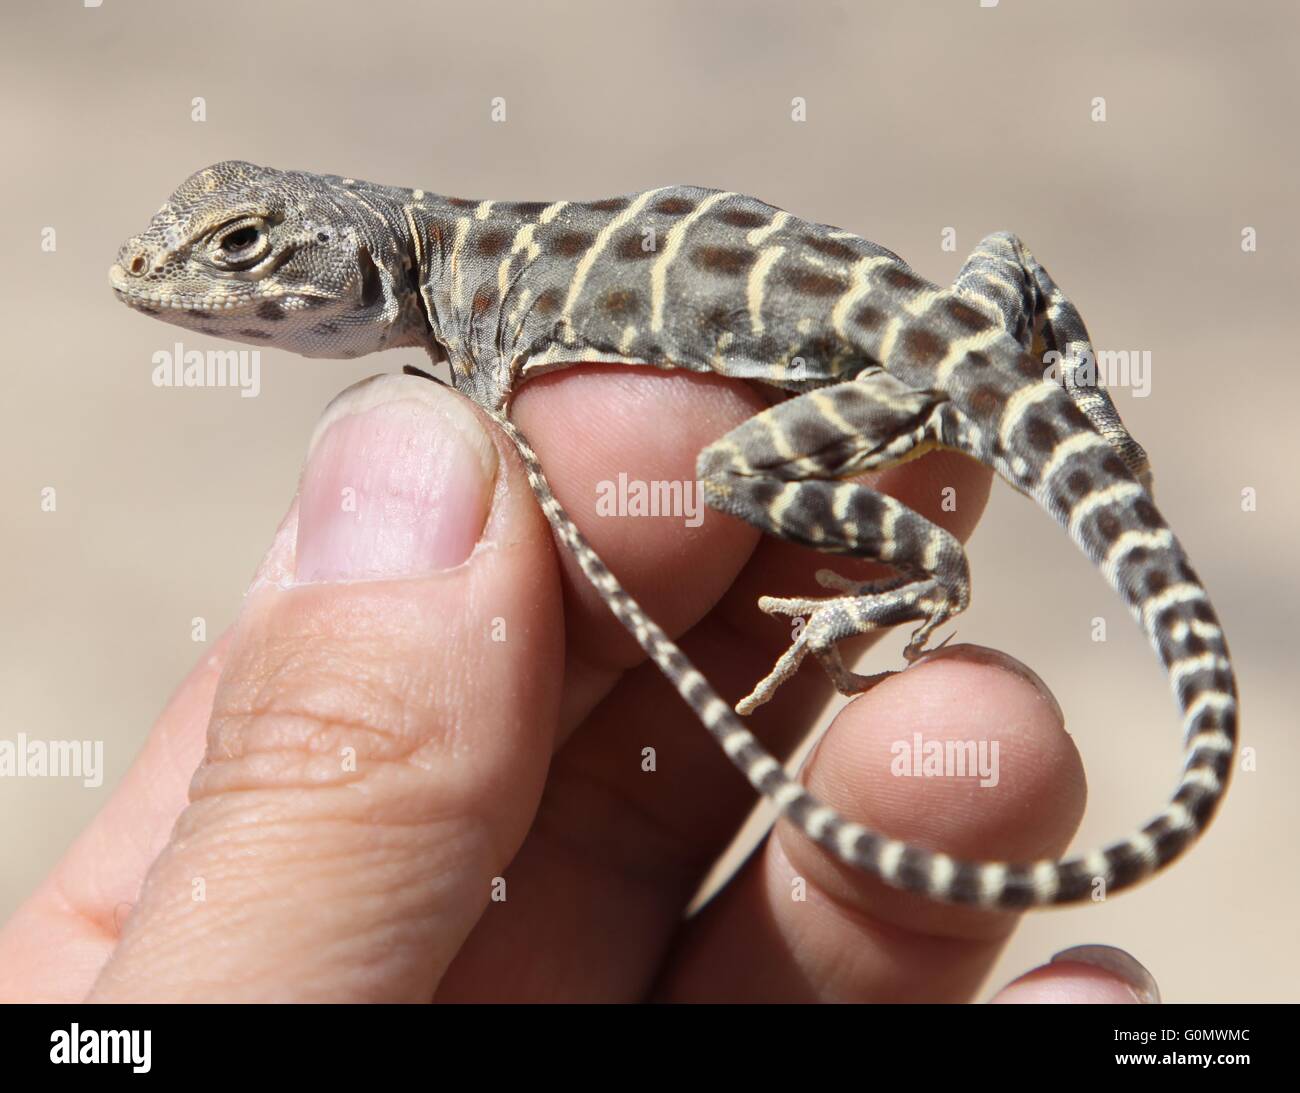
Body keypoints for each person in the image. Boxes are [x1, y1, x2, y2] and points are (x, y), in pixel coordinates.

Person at [0, 369, 1158, 1003]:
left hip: (897, 369)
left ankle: (923, 568)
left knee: (727, 469)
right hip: (921, 350)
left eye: (247, 250)